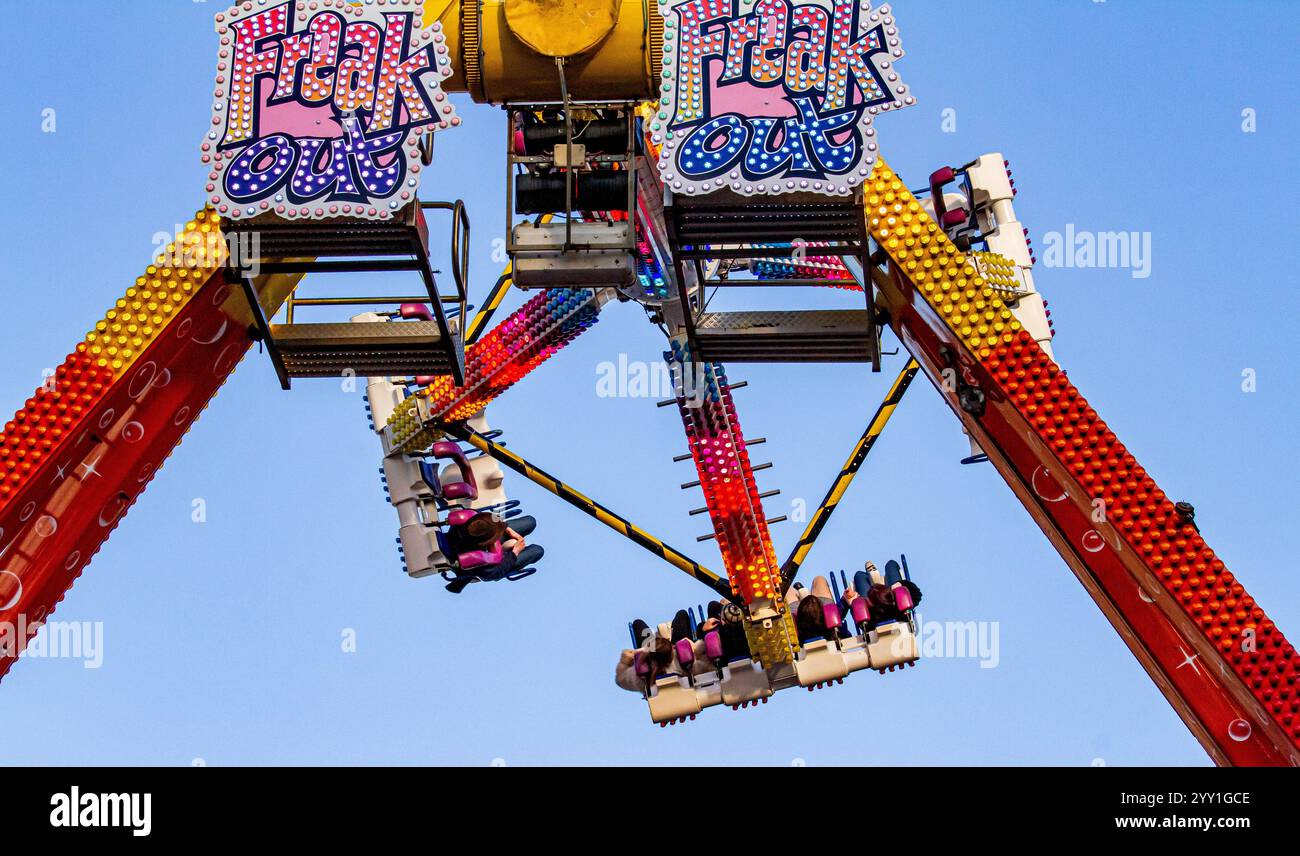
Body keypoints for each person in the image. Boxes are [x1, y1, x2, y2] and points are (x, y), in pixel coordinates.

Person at [445, 511, 544, 593]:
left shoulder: (469, 520)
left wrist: (506, 528)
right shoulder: (477, 560)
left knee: (530, 522)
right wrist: (515, 552)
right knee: (537, 550)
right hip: (483, 565)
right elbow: (496, 571)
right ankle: (467, 578)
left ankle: (464, 577)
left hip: (481, 538)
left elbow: (488, 517)